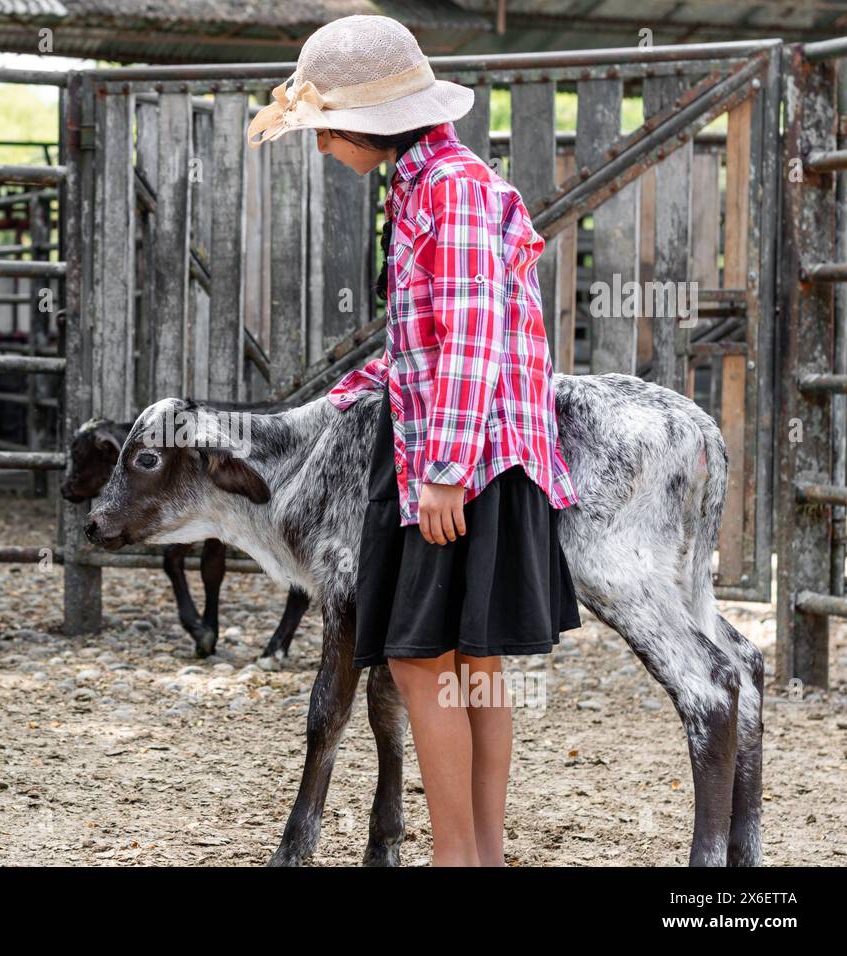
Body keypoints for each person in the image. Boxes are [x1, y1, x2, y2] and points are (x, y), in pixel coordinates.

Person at [247, 14, 583, 867]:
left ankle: (459, 857)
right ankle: (475, 857)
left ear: (367, 122)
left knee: (424, 661)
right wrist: (344, 398)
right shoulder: (423, 184)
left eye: (324, 132)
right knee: (467, 661)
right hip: (457, 446)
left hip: (457, 458)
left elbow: (472, 337)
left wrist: (441, 472)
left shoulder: (450, 190)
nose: (321, 149)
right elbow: (425, 341)